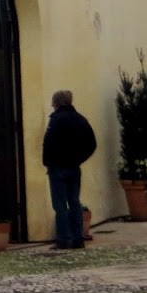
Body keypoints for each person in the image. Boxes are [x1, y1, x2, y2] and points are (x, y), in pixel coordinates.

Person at [41, 89, 97, 250]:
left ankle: (63, 239)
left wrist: (48, 162)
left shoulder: (56, 120)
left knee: (60, 206)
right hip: (74, 167)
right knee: (74, 203)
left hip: (58, 168)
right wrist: (79, 159)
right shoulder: (80, 120)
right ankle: (78, 239)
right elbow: (91, 143)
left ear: (57, 103)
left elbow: (49, 142)